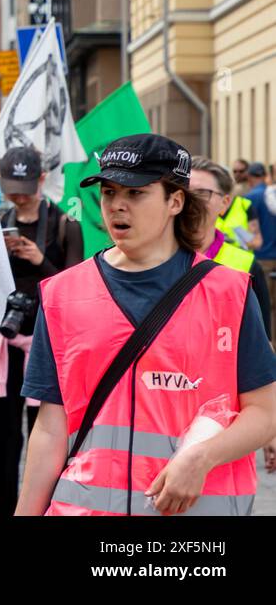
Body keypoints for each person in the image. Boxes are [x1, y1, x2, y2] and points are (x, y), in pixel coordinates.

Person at [17, 134, 276, 516]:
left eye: (135, 193)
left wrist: (201, 458)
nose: (117, 205)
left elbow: (266, 413)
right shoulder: (62, 294)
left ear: (175, 200)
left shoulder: (229, 293)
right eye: (108, 192)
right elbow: (50, 429)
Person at [0, 146, 83, 515]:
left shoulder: (64, 224)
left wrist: (41, 261)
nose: (19, 195)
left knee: (48, 438)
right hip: (2, 342)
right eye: (12, 187)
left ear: (42, 179)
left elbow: (75, 288)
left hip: (48, 342)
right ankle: (5, 509)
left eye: (25, 186)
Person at [190, 157, 272, 339]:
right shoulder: (153, 259)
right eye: (184, 192)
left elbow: (261, 347)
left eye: (202, 193)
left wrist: (242, 241)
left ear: (224, 202)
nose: (190, 200)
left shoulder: (246, 267)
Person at [247, 162, 276, 285]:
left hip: (261, 256)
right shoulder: (272, 195)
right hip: (272, 253)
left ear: (249, 177)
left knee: (264, 301)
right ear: (265, 176)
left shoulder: (249, 197)